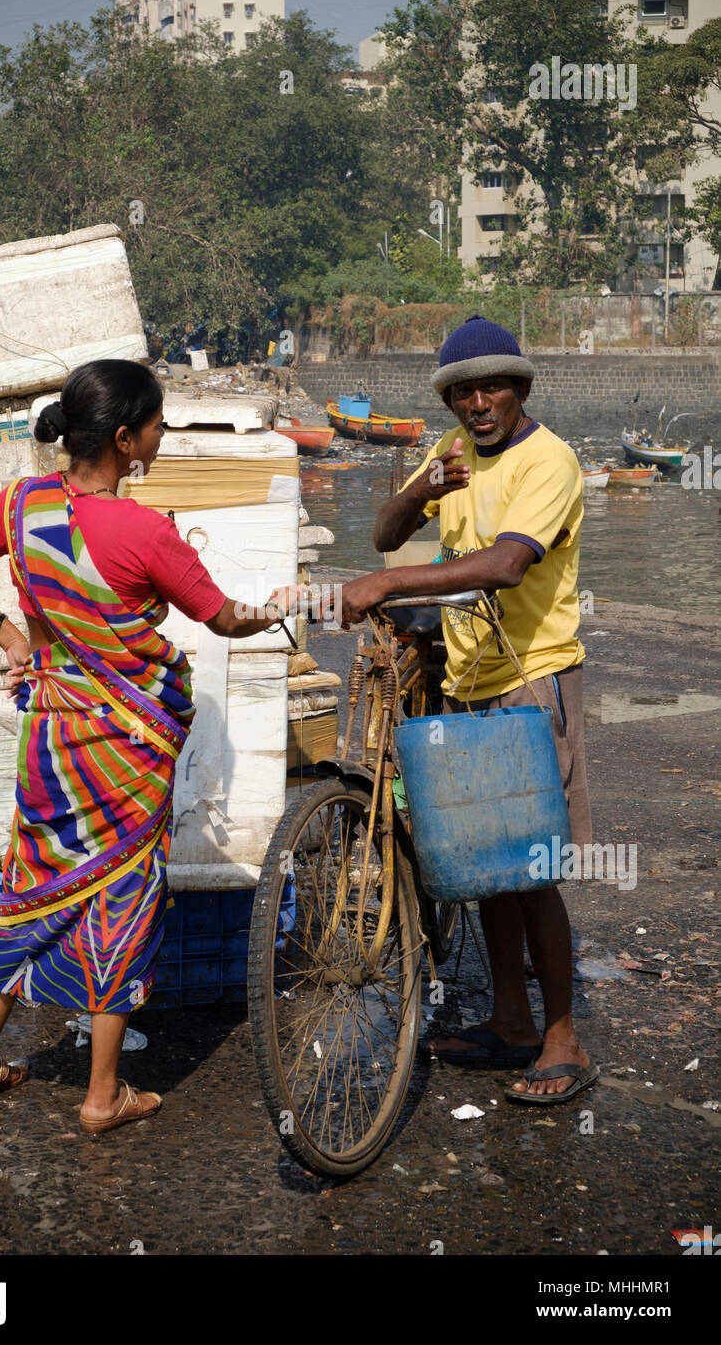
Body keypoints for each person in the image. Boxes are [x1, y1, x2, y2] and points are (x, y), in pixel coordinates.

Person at [0, 359, 298, 1135]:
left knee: (29, 894)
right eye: (157, 425)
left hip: (53, 741)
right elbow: (223, 619)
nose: (163, 436)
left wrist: (8, 640)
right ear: (126, 440)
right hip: (126, 752)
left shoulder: (21, 506)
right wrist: (278, 607)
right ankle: (102, 1095)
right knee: (120, 899)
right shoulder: (146, 532)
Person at [338, 315, 598, 1106]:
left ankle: (563, 1041)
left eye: (493, 388)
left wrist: (387, 587)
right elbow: (386, 534)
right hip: (469, 680)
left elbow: (507, 565)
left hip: (534, 678)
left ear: (520, 390)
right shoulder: (450, 452)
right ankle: (510, 1023)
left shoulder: (549, 460)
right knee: (487, 863)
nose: (479, 403)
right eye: (463, 392)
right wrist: (422, 490)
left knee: (533, 870)